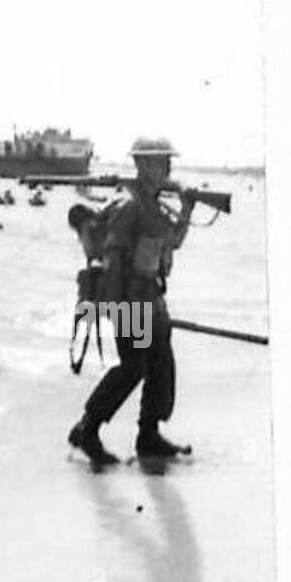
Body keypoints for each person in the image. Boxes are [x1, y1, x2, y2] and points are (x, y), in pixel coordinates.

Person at [67, 136, 198, 466]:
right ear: (141, 165)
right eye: (159, 162)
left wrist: (187, 208)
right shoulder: (132, 206)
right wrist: (118, 307)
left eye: (168, 162)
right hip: (131, 302)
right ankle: (88, 429)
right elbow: (113, 258)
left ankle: (148, 435)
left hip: (150, 298)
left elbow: (174, 240)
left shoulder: (151, 204)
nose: (167, 168)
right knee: (134, 366)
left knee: (160, 363)